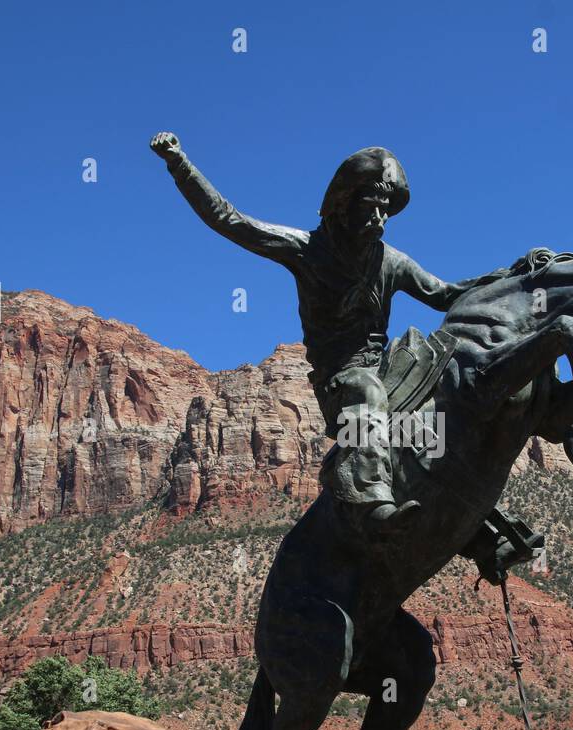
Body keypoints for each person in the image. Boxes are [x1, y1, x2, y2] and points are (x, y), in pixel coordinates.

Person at [151, 132, 493, 533]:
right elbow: (230, 220)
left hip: (387, 368)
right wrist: (179, 163)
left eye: (386, 210)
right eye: (371, 206)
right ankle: (370, 503)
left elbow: (444, 294)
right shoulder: (306, 249)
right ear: (344, 203)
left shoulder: (391, 261)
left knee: (442, 414)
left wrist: (516, 273)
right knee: (369, 392)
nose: (379, 219)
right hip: (341, 381)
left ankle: (481, 530)